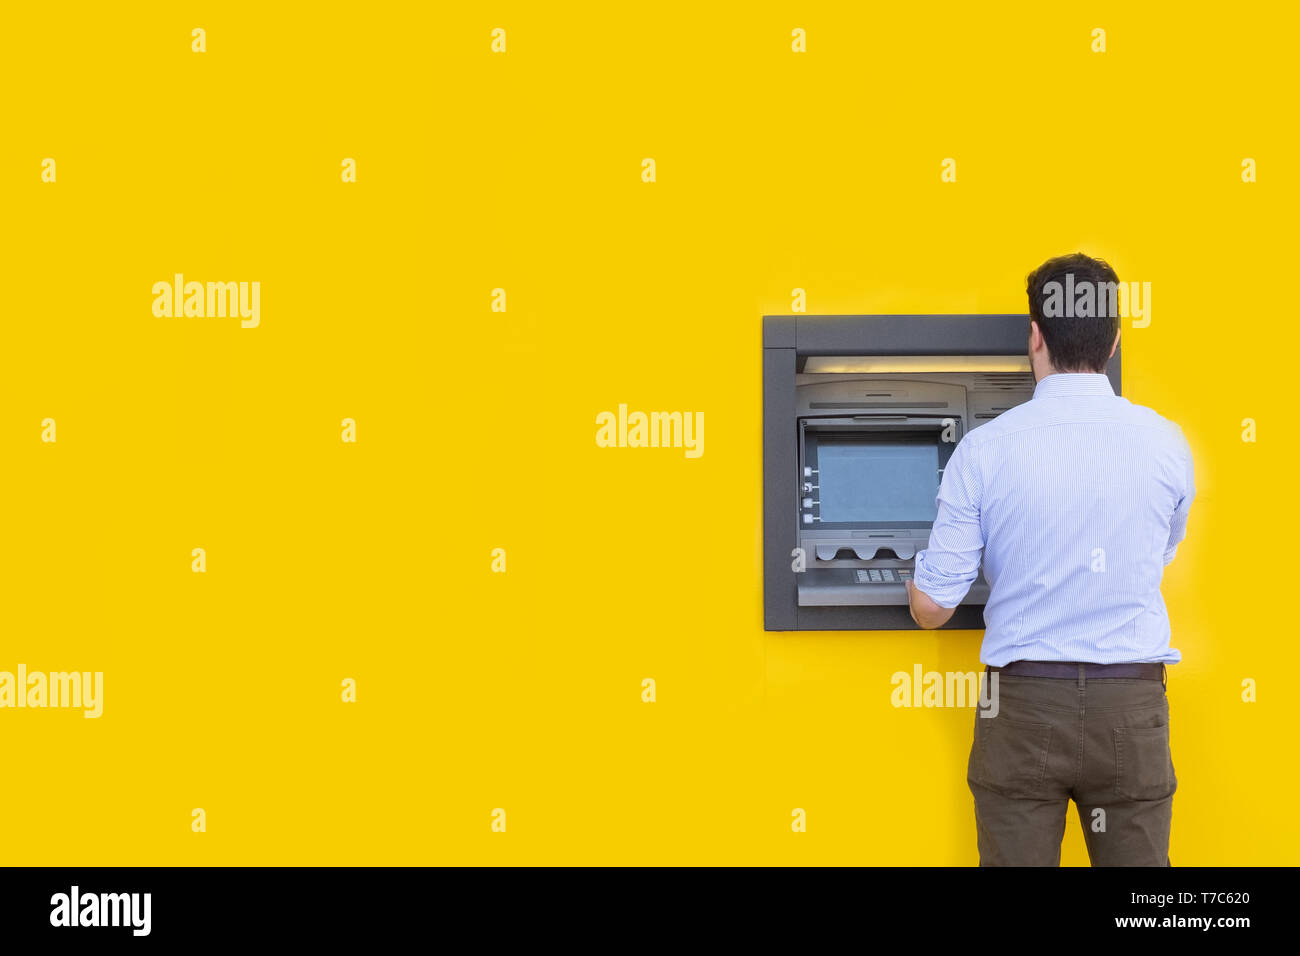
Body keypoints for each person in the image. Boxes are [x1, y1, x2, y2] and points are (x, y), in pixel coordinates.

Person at [905, 252, 1195, 866]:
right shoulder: (1165, 442)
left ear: (1035, 334)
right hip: (1131, 702)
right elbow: (1160, 552)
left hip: (1021, 707)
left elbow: (933, 608)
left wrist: (914, 569)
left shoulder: (984, 449)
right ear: (1114, 340)